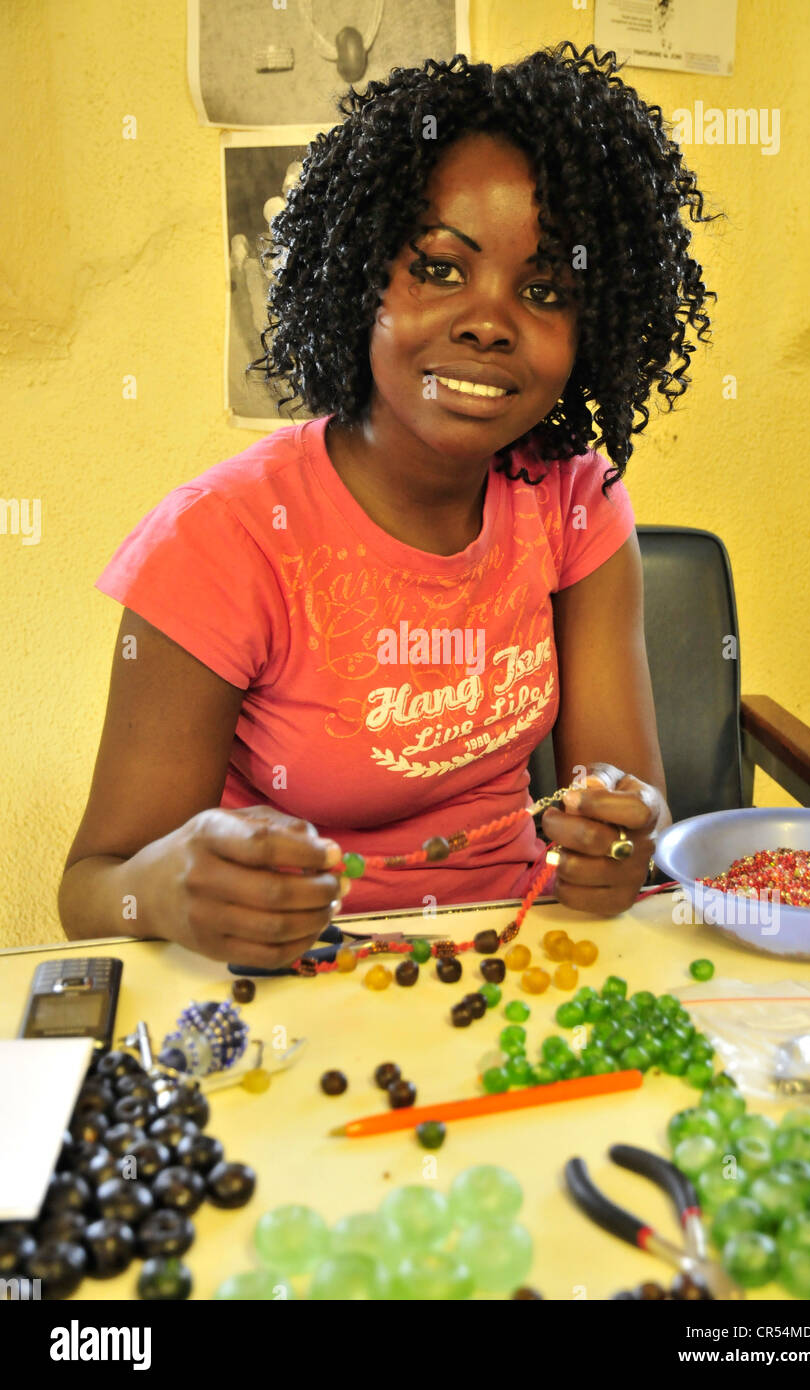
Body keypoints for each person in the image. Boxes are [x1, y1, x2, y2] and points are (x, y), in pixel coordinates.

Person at [58, 42, 718, 967]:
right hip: (299, 980)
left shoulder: (574, 496)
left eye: (543, 292)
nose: (489, 319)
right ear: (359, 279)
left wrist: (624, 835)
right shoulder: (222, 539)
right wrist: (170, 888)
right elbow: (93, 886)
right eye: (440, 269)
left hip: (516, 957)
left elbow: (622, 809)